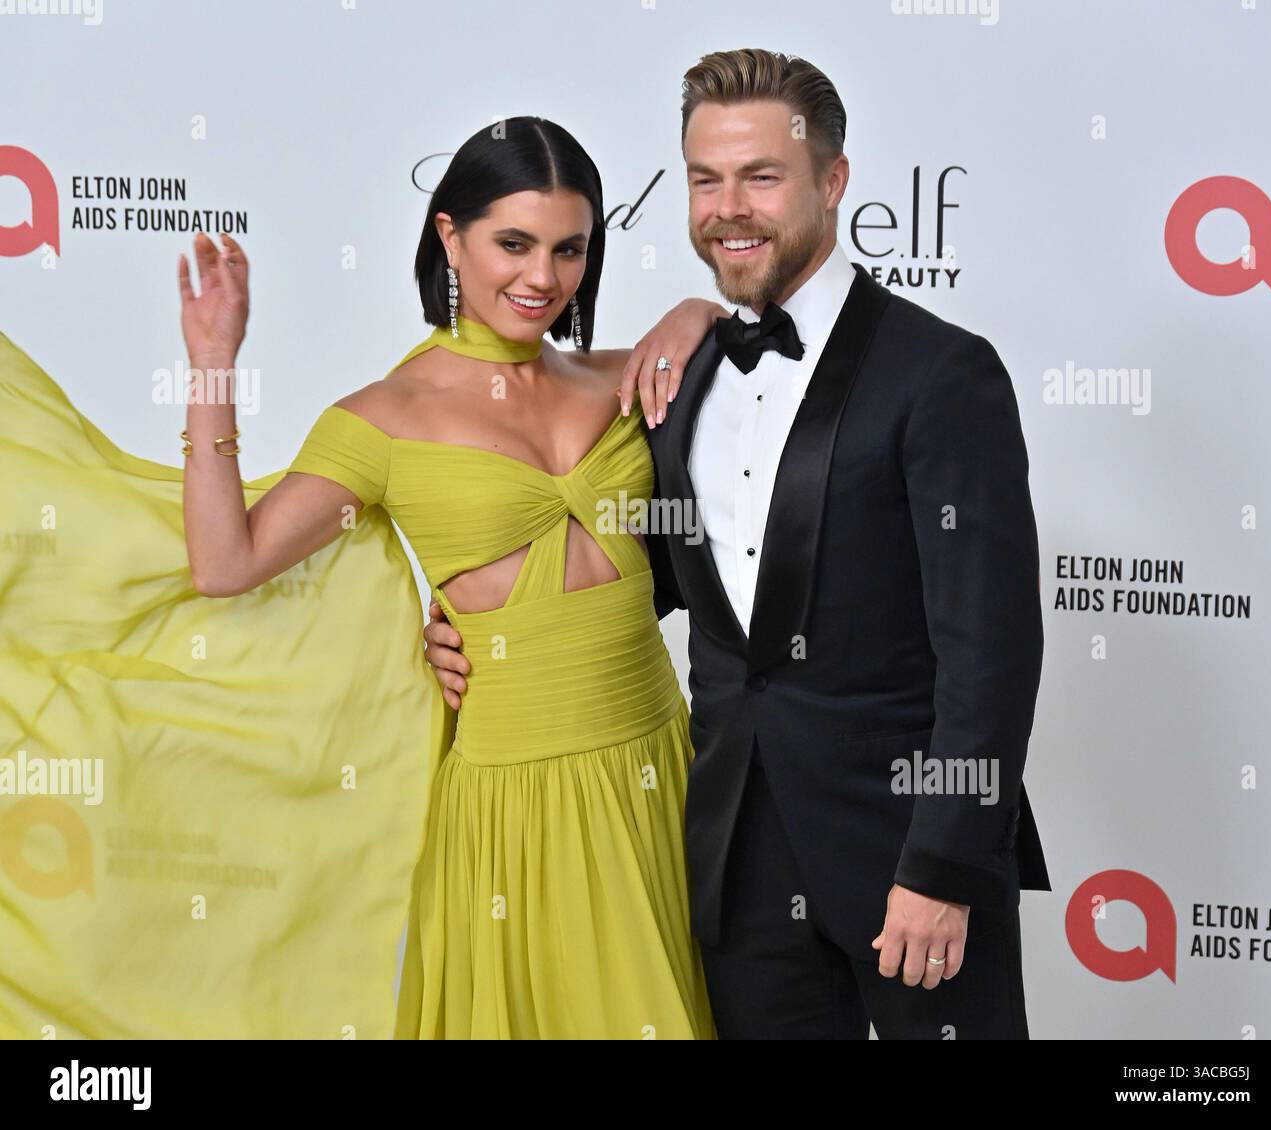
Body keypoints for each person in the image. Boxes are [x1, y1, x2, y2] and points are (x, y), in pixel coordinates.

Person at [0, 116, 724, 1039]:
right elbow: (227, 563)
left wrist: (697, 311)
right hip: (515, 801)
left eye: (568, 249)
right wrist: (214, 366)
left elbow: (760, 356)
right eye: (513, 243)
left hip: (662, 765)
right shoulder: (384, 417)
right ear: (448, 235)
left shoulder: (628, 374)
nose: (542, 277)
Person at [427, 50, 1051, 1040]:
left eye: (760, 176)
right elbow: (650, 579)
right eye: (705, 179)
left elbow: (992, 649)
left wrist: (944, 864)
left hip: (903, 862)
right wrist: (470, 620)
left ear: (831, 180)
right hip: (731, 866)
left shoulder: (940, 372)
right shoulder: (681, 373)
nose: (729, 208)